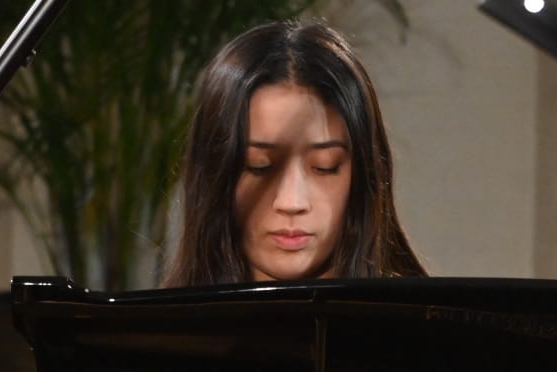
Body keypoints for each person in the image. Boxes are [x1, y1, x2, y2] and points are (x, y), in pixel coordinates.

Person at [162, 19, 424, 287]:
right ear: (214, 175)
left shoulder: (425, 325)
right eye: (259, 166)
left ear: (363, 176)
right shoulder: (154, 329)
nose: (292, 202)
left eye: (325, 166)